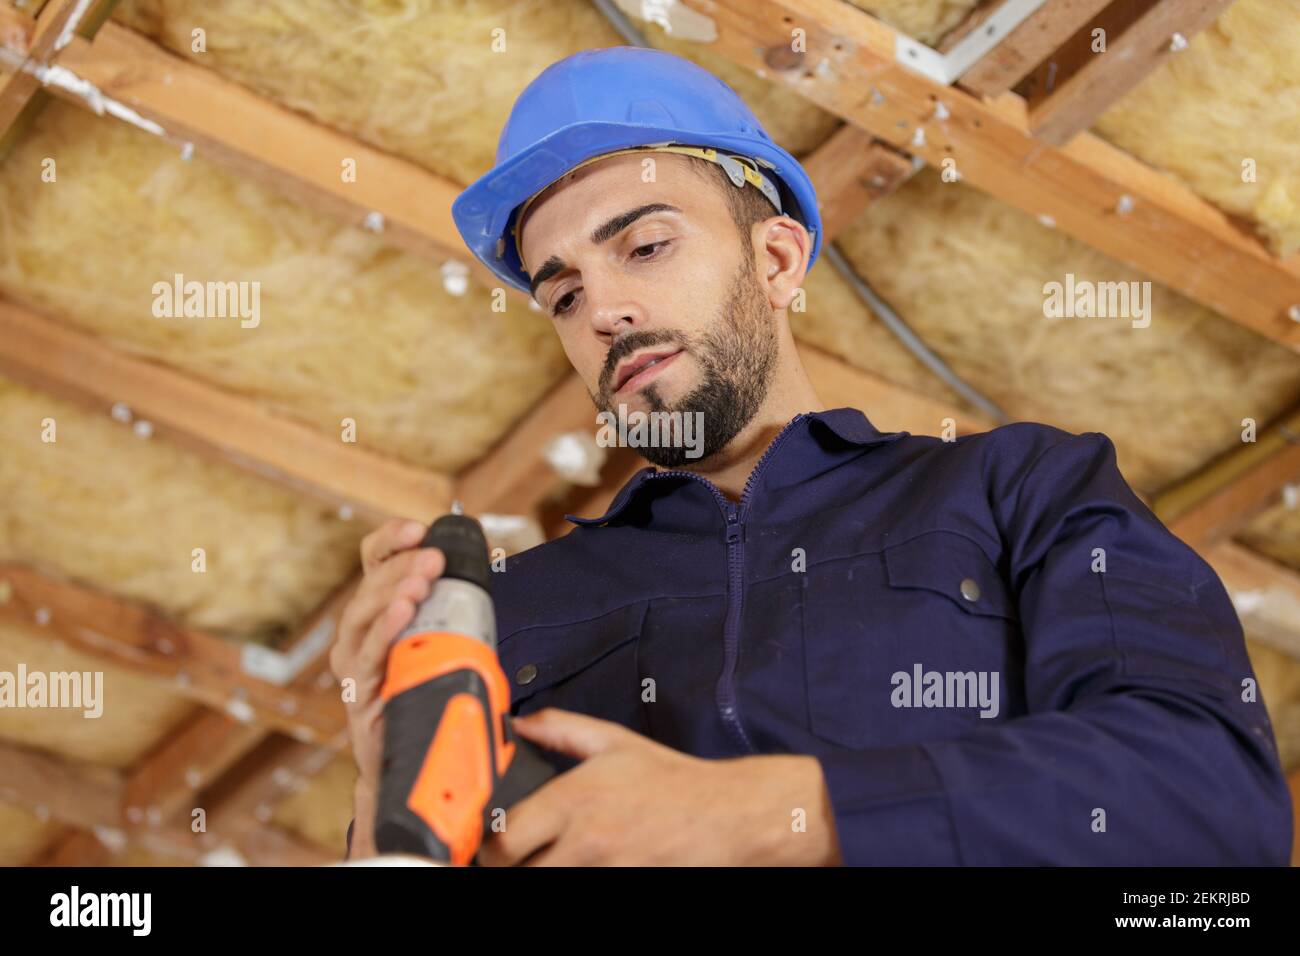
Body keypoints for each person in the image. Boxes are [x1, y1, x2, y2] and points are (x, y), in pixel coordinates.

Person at [330, 47, 1292, 865]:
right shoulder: (511, 613)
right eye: (564, 295)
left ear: (779, 260)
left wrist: (783, 815)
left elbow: (1211, 799)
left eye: (647, 246)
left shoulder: (1017, 489)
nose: (605, 310)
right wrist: (392, 796)